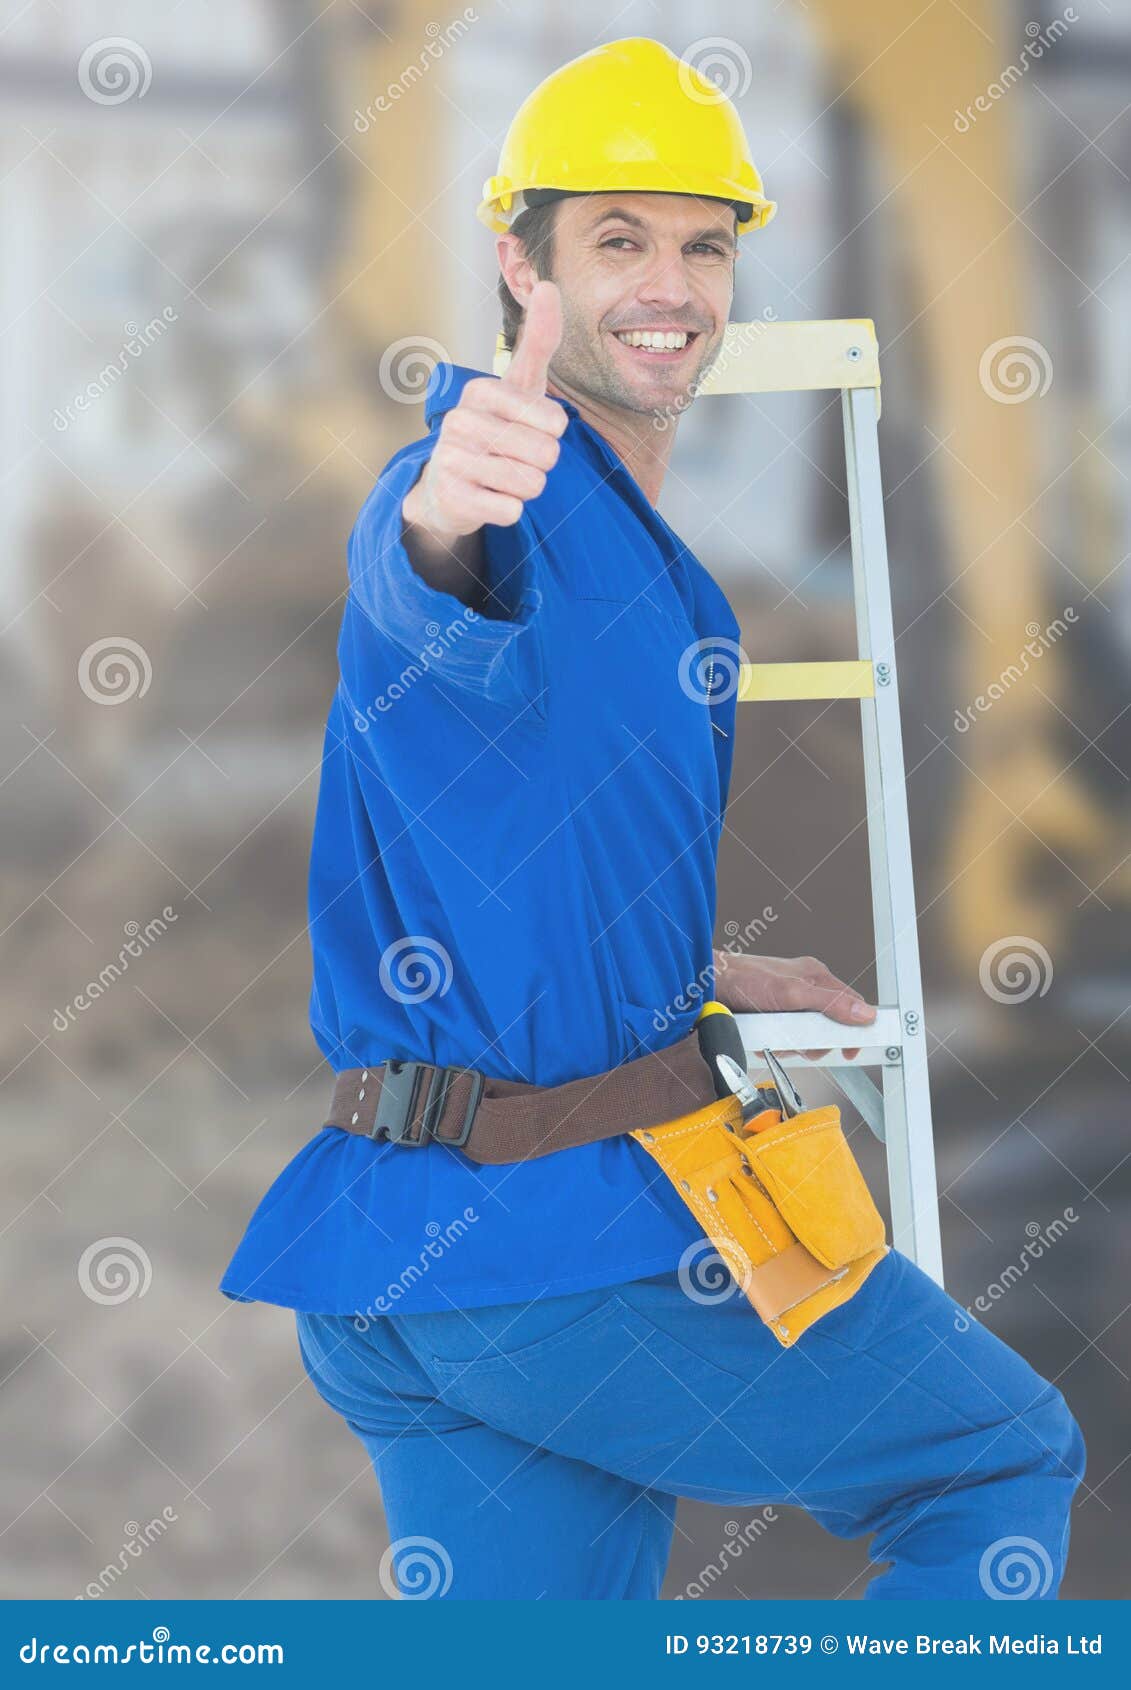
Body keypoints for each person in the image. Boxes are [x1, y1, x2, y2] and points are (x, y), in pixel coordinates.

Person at [221, 37, 1084, 1601]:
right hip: (570, 1246)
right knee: (1000, 1463)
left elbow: (512, 844)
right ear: (517, 260)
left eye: (703, 243)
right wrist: (438, 515)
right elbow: (421, 593)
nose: (671, 283)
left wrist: (703, 974)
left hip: (404, 1258)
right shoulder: (498, 492)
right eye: (617, 240)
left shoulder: (637, 551)